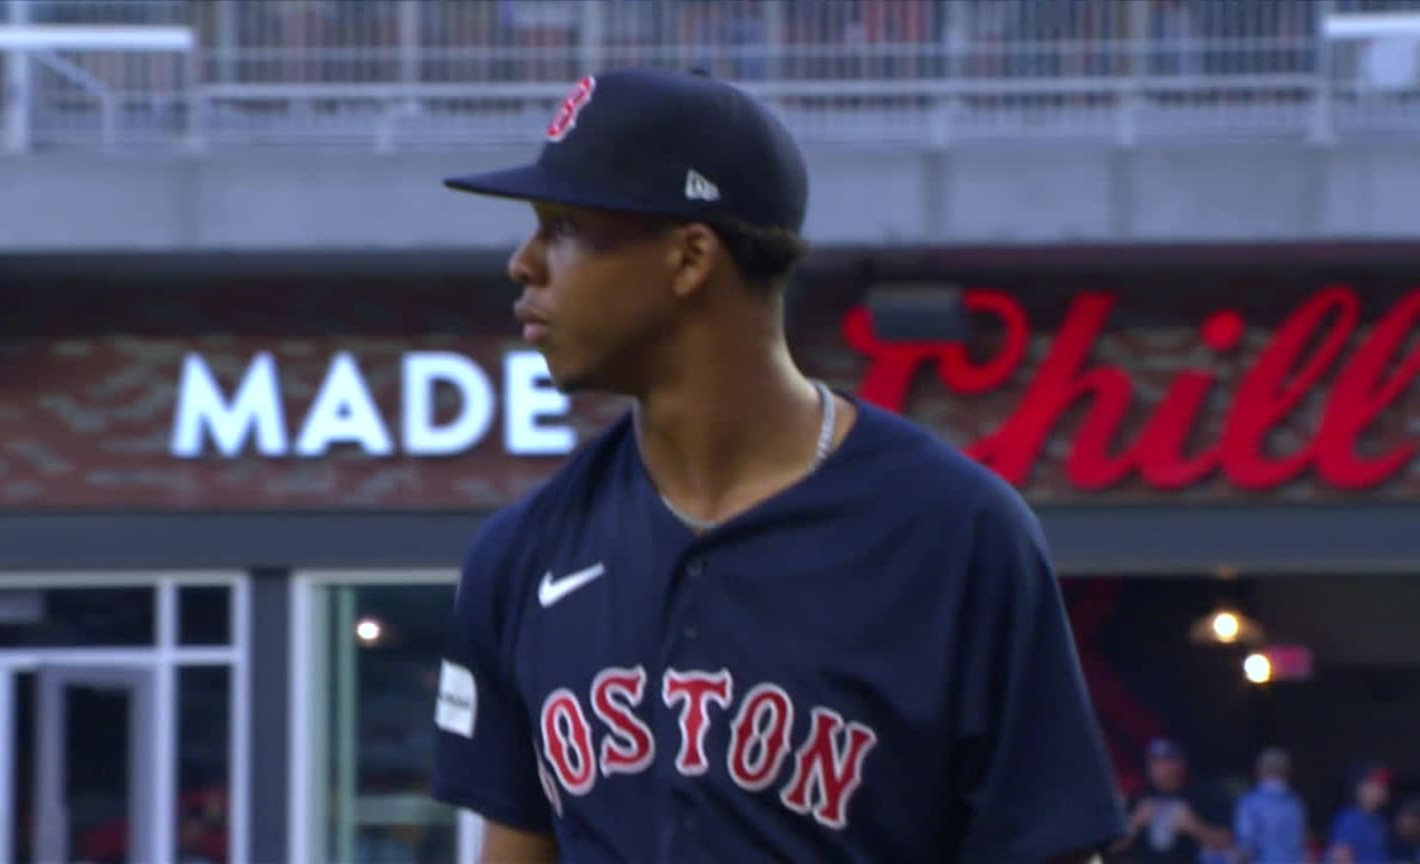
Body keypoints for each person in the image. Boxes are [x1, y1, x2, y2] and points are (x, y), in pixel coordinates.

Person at [428, 66, 1126, 863]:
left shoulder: (955, 533)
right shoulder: (521, 555)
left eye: (561, 227)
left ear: (690, 258)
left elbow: (1052, 848)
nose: (523, 263)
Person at [1111, 738, 1234, 864]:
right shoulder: (1137, 799)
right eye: (1154, 762)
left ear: (1180, 764)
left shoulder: (1203, 795)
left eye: (1165, 762)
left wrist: (1195, 826)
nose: (1158, 768)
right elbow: (1112, 847)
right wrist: (1135, 822)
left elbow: (1227, 841)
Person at [1233, 747, 1307, 864]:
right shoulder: (1296, 803)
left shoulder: (1250, 803)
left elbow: (1246, 846)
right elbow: (1301, 842)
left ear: (1260, 771)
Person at [1327, 763, 1393, 864]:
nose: (1382, 789)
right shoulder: (1349, 819)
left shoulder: (1380, 820)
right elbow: (1340, 858)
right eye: (1376, 784)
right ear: (1360, 788)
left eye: (1383, 785)